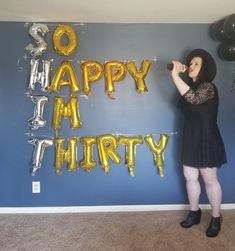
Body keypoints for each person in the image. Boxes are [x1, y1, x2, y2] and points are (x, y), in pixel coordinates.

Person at [170, 48, 227, 237]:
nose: (191, 66)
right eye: (191, 63)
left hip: (207, 136)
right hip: (191, 136)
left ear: (205, 68)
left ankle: (216, 217)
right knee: (189, 176)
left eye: (196, 64)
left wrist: (175, 76)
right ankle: (194, 212)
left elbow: (193, 100)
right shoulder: (190, 88)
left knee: (210, 180)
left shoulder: (208, 87)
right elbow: (187, 97)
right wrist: (179, 77)